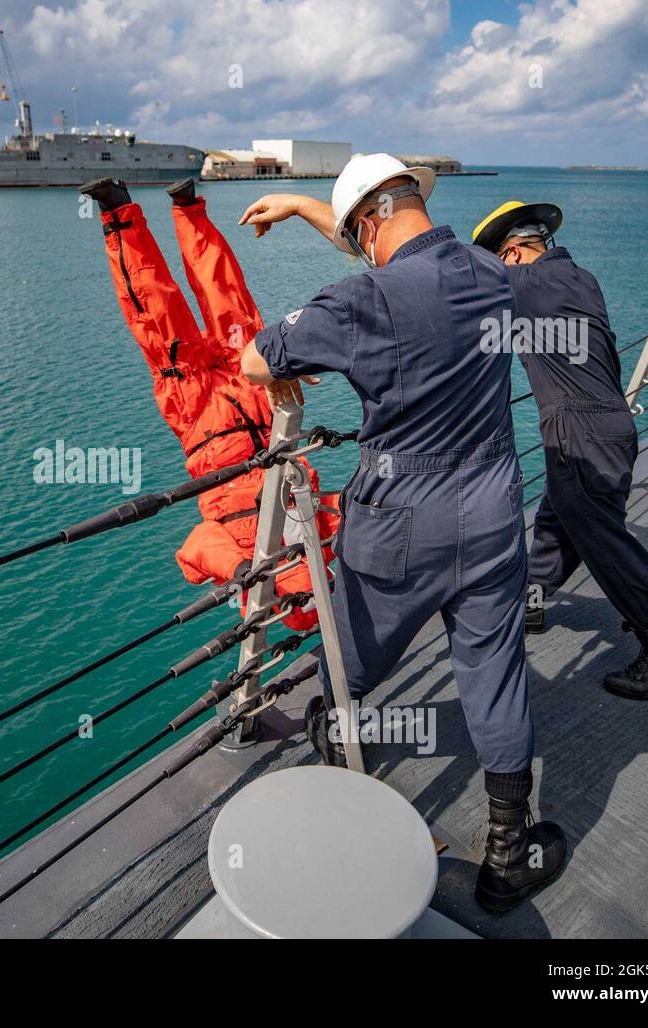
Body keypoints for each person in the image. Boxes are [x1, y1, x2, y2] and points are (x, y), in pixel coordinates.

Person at [238, 154, 566, 913]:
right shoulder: (493, 274)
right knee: (495, 674)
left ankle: (334, 744)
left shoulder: (364, 299)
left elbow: (258, 358)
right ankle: (508, 855)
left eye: (359, 235)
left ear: (372, 222)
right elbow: (403, 253)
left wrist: (311, 235)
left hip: (397, 522)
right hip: (489, 511)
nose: (360, 249)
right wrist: (307, 206)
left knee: (351, 658)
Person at [79, 175, 340, 632]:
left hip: (201, 414)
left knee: (156, 312)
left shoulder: (251, 563)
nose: (304, 588)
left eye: (299, 598)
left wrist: (243, 572)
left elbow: (195, 549)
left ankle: (118, 213)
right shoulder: (324, 541)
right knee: (224, 293)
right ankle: (186, 207)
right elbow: (351, 507)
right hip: (258, 402)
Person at [472, 201, 648, 700]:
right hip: (609, 423)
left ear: (509, 254)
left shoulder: (522, 285)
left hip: (580, 430)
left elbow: (442, 284)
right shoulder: (579, 277)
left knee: (603, 541)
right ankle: (530, 600)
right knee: (559, 520)